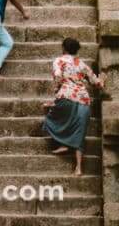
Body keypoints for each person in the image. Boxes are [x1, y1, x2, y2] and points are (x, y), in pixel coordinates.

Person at [42, 36, 103, 175]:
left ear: (63, 48)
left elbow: (57, 76)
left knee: (50, 116)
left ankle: (63, 142)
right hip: (84, 100)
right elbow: (97, 83)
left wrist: (56, 91)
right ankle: (78, 168)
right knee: (80, 132)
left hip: (66, 98)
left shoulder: (59, 60)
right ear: (77, 50)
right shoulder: (82, 64)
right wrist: (103, 79)